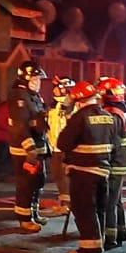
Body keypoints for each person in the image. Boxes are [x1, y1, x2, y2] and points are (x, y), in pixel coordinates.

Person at [56, 81, 120, 253]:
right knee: (98, 209)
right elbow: (115, 145)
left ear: (78, 100)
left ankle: (89, 250)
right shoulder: (108, 116)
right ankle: (98, 244)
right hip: (103, 171)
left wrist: (67, 119)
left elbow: (63, 143)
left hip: (83, 172)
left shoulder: (79, 117)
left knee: (84, 210)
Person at [8, 60, 50, 233]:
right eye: (35, 79)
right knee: (26, 184)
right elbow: (20, 125)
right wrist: (30, 149)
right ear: (25, 79)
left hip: (38, 146)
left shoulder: (33, 96)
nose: (38, 83)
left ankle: (33, 211)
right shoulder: (19, 96)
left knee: (38, 182)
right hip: (26, 150)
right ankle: (25, 219)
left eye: (39, 79)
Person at [98, 77, 126, 249]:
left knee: (109, 202)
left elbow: (108, 141)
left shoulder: (111, 114)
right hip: (121, 162)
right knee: (117, 200)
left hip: (114, 164)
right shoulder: (122, 112)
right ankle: (121, 232)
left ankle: (110, 238)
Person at [46, 76, 77, 211]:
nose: (54, 90)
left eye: (57, 87)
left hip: (66, 146)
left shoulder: (72, 105)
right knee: (57, 174)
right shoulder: (53, 104)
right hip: (54, 146)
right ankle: (64, 200)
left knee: (66, 175)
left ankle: (69, 203)